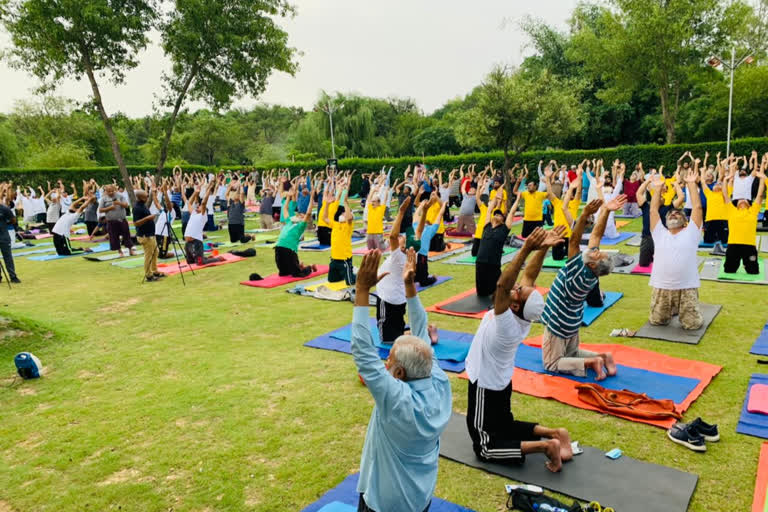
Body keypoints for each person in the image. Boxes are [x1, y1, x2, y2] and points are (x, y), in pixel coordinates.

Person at [351, 248, 452, 512]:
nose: (385, 363)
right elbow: (420, 330)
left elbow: (363, 352)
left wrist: (362, 290)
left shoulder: (396, 399)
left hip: (385, 503)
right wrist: (409, 286)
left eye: (390, 360)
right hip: (420, 498)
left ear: (399, 374)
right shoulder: (439, 381)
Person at [466, 227, 572, 472]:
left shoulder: (507, 324)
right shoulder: (520, 314)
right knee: (504, 426)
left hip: (486, 387)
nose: (519, 285)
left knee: (483, 445)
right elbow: (529, 276)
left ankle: (546, 447)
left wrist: (525, 248)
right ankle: (555, 433)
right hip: (502, 384)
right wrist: (544, 246)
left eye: (519, 291)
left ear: (514, 305)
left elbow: (503, 286)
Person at [541, 196, 625, 379]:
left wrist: (586, 212)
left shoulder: (577, 271)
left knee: (552, 363)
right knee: (571, 353)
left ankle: (592, 362)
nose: (594, 250)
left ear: (594, 264)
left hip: (558, 323)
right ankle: (603, 357)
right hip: (572, 321)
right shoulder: (590, 273)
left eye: (597, 253)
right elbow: (596, 235)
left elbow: (573, 241)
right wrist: (607, 211)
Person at [648, 168, 704, 330]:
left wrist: (692, 185)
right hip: (661, 286)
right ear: (665, 221)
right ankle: (670, 309)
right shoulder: (659, 233)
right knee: (657, 321)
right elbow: (653, 210)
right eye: (670, 214)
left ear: (685, 221)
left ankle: (683, 309)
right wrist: (658, 189)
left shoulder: (692, 233)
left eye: (677, 214)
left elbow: (697, 209)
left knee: (692, 325)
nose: (673, 214)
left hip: (686, 286)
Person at [376, 197, 413, 343]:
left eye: (401, 239)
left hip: (388, 299)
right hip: (398, 299)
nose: (399, 238)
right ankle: (418, 332)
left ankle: (419, 335)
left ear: (402, 247)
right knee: (398, 329)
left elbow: (392, 235)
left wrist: (401, 212)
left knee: (386, 339)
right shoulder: (409, 256)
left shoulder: (399, 257)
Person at [721, 157, 766, 274]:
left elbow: (760, 195)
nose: (742, 200)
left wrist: (762, 178)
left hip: (749, 246)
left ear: (748, 203)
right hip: (733, 245)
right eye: (740, 200)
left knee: (753, 271)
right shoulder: (732, 210)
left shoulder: (753, 211)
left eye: (745, 200)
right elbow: (725, 195)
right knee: (729, 270)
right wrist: (725, 180)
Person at [475, 193, 522, 297]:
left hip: (493, 264)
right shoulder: (487, 226)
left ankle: (516, 287)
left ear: (502, 220)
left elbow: (512, 213)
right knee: (481, 294)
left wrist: (518, 198)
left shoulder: (504, 229)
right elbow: (489, 210)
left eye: (499, 215)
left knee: (497, 291)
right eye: (495, 214)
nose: (496, 215)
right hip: (480, 262)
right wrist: (495, 199)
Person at [545, 166, 582, 261]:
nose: (565, 193)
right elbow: (549, 193)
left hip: (570, 235)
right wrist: (547, 178)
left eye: (568, 193)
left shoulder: (574, 203)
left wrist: (579, 176)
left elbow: (578, 192)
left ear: (571, 196)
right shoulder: (557, 202)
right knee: (557, 258)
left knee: (572, 257)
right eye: (564, 193)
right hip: (558, 234)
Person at [183, 182, 219, 265]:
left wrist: (209, 189)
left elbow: (203, 203)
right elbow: (189, 203)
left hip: (196, 242)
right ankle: (204, 257)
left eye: (199, 206)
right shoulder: (194, 214)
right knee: (190, 262)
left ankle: (217, 259)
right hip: (188, 243)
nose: (198, 206)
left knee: (200, 262)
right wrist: (196, 192)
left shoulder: (203, 216)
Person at [414, 197, 447, 288]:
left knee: (419, 274)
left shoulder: (421, 227)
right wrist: (444, 205)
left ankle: (417, 277)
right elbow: (439, 215)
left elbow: (416, 214)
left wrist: (421, 206)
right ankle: (430, 278)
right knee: (423, 281)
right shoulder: (430, 229)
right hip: (419, 256)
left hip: (414, 255)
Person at [133, 190, 164, 282]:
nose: (147, 197)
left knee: (155, 252)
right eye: (146, 196)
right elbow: (136, 223)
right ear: (140, 198)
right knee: (148, 255)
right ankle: (148, 275)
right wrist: (148, 218)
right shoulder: (137, 208)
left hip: (150, 234)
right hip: (145, 235)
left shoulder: (143, 205)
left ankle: (155, 271)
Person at [326, 194, 356, 285]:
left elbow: (349, 218)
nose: (343, 214)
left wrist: (346, 202)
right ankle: (347, 274)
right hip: (334, 259)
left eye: (345, 213)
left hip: (344, 259)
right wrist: (327, 204)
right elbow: (324, 218)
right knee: (332, 280)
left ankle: (358, 275)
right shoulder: (335, 224)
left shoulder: (348, 225)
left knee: (350, 283)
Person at [99, 184, 135, 257]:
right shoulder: (104, 198)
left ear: (114, 189)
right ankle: (120, 252)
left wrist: (119, 203)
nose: (111, 193)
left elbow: (126, 205)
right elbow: (100, 210)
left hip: (122, 220)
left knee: (126, 235)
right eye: (109, 191)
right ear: (106, 191)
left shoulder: (120, 196)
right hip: (111, 221)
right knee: (114, 237)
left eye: (112, 191)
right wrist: (110, 208)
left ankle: (130, 250)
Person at [226, 179, 253, 244]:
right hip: (231, 223)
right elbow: (227, 194)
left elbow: (242, 193)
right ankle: (245, 235)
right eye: (235, 194)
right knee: (233, 241)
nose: (235, 195)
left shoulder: (241, 203)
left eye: (237, 194)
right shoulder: (231, 203)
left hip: (239, 223)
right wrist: (230, 186)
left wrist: (240, 186)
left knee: (242, 240)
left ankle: (251, 236)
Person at [0, 201, 20, 283]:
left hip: (4, 237)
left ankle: (13, 276)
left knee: (8, 257)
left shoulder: (4, 208)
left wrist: (6, 223)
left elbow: (13, 219)